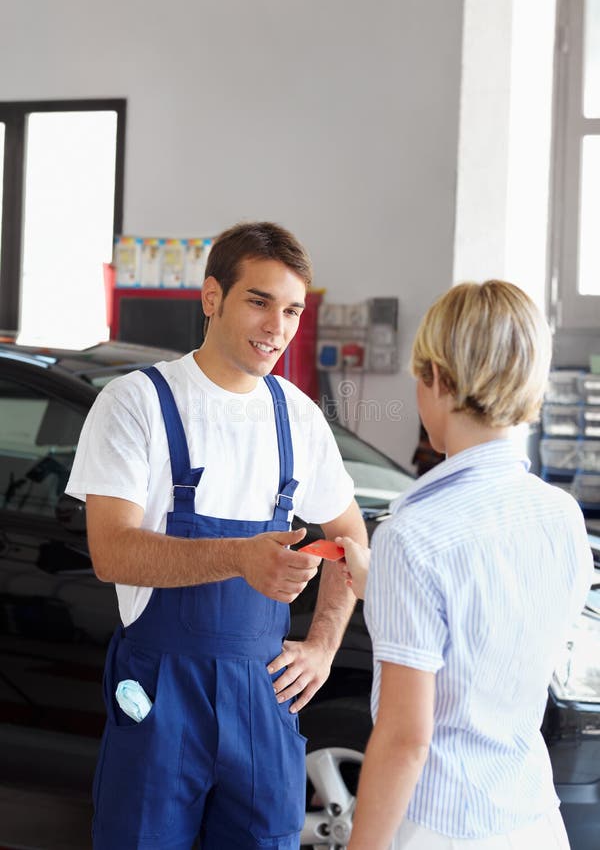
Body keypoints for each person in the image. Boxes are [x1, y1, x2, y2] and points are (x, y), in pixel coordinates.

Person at [66, 221, 367, 850]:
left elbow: (349, 539)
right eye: (259, 302)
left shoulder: (298, 417)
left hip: (263, 693)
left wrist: (323, 644)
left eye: (291, 310)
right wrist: (239, 558)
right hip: (160, 691)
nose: (277, 328)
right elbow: (110, 550)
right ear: (211, 298)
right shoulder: (137, 403)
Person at [336, 281, 593, 850]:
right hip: (531, 819)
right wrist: (385, 590)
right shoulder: (561, 516)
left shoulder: (413, 535)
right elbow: (494, 633)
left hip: (439, 826)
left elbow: (406, 739)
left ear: (441, 380)